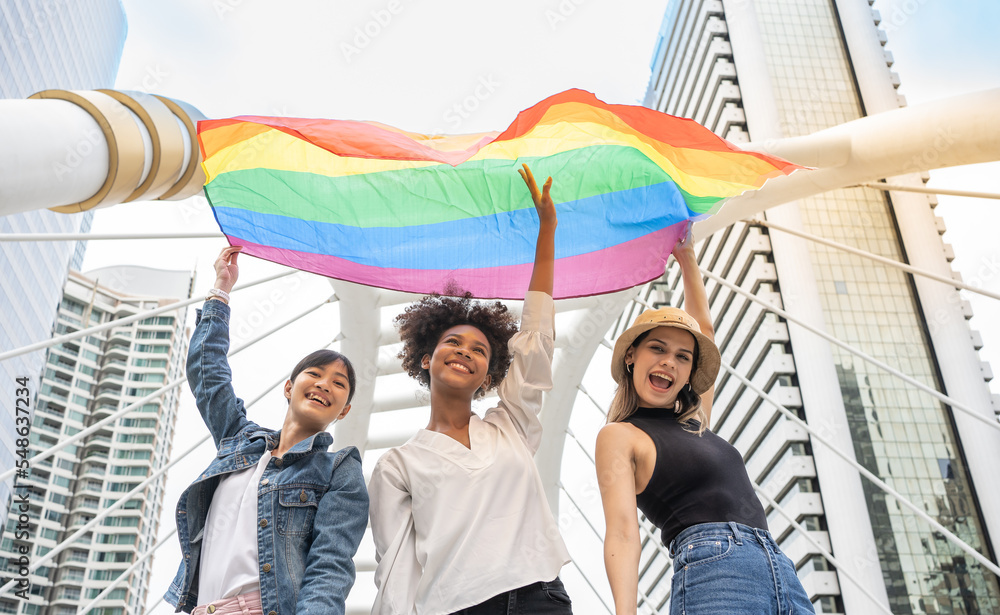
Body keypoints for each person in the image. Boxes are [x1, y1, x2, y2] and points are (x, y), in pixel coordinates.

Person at [368, 165, 573, 615]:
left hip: (542, 600)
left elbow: (536, 338)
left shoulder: (511, 425)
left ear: (489, 374)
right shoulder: (396, 466)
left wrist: (547, 231)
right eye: (453, 343)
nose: (465, 352)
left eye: (479, 350)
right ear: (426, 358)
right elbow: (396, 569)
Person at [595, 227, 813, 614]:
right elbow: (623, 533)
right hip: (714, 569)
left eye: (683, 357)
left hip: (778, 567)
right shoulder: (621, 435)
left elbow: (705, 330)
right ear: (631, 356)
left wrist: (687, 256)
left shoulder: (695, 422)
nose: (669, 362)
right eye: (657, 348)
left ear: (689, 372)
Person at [165, 245, 369, 615]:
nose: (324, 384)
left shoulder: (338, 470)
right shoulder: (239, 440)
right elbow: (208, 374)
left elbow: (329, 568)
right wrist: (221, 290)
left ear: (345, 410)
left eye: (339, 384)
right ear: (289, 388)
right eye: (315, 373)